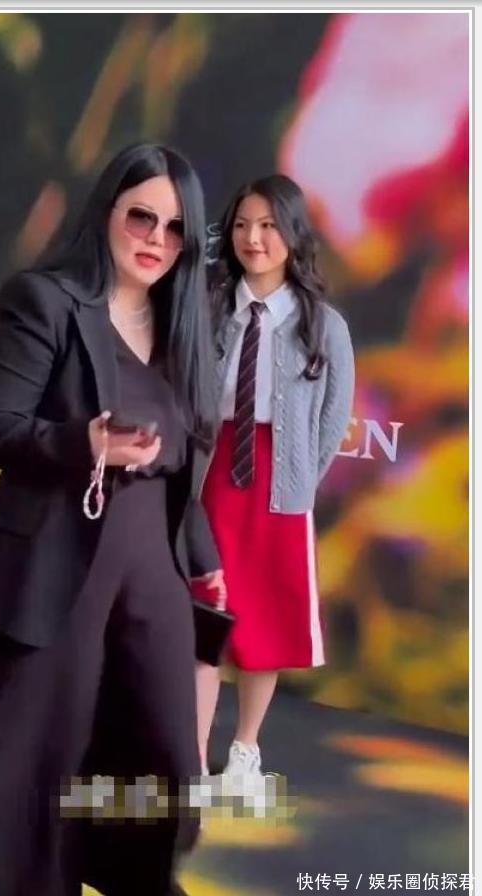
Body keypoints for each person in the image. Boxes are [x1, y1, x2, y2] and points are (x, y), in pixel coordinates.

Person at [0, 143, 223, 896]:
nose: (156, 239)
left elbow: (185, 472)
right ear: (107, 210)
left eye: (175, 228)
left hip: (154, 582)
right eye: (141, 217)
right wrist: (86, 443)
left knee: (164, 767)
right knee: (21, 768)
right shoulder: (45, 300)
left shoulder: (184, 329)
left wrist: (206, 562)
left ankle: (114, 870)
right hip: (54, 568)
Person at [193, 174, 355, 780]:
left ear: (293, 233)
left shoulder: (324, 325)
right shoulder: (210, 311)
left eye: (267, 225)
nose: (253, 239)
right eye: (241, 225)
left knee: (263, 617)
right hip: (213, 476)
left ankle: (244, 752)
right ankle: (189, 753)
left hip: (278, 486)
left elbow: (333, 417)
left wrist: (299, 479)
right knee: (200, 614)